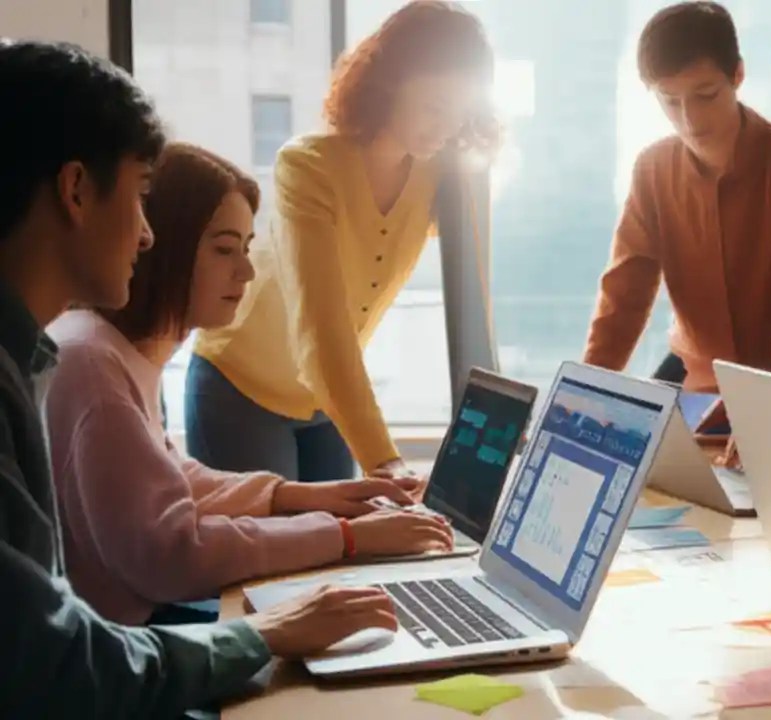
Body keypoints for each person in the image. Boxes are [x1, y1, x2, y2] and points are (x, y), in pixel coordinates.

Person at [0, 39, 401, 716]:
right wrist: (269, 628)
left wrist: (304, 499)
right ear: (75, 190)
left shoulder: (49, 355)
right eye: (139, 194)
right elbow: (66, 653)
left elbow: (170, 479)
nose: (147, 234)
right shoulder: (84, 362)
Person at [44, 143, 454, 627]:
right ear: (162, 244)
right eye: (224, 249)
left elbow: (170, 480)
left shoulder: (109, 350)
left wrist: (298, 497)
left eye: (246, 247)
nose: (247, 271)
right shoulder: (94, 368)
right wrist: (346, 536)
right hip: (128, 647)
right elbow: (172, 555)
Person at [189, 0, 495, 481]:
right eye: (434, 107)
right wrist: (387, 463)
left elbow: (474, 298)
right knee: (278, 551)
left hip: (327, 401)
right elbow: (322, 332)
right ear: (389, 84)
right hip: (241, 388)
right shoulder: (308, 166)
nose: (447, 127)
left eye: (460, 112)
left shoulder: (441, 175)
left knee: (347, 551)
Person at [583, 1, 771, 412]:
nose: (689, 119)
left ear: (737, 75)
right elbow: (623, 295)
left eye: (705, 95)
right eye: (670, 101)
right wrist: (581, 398)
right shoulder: (653, 168)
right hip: (696, 393)